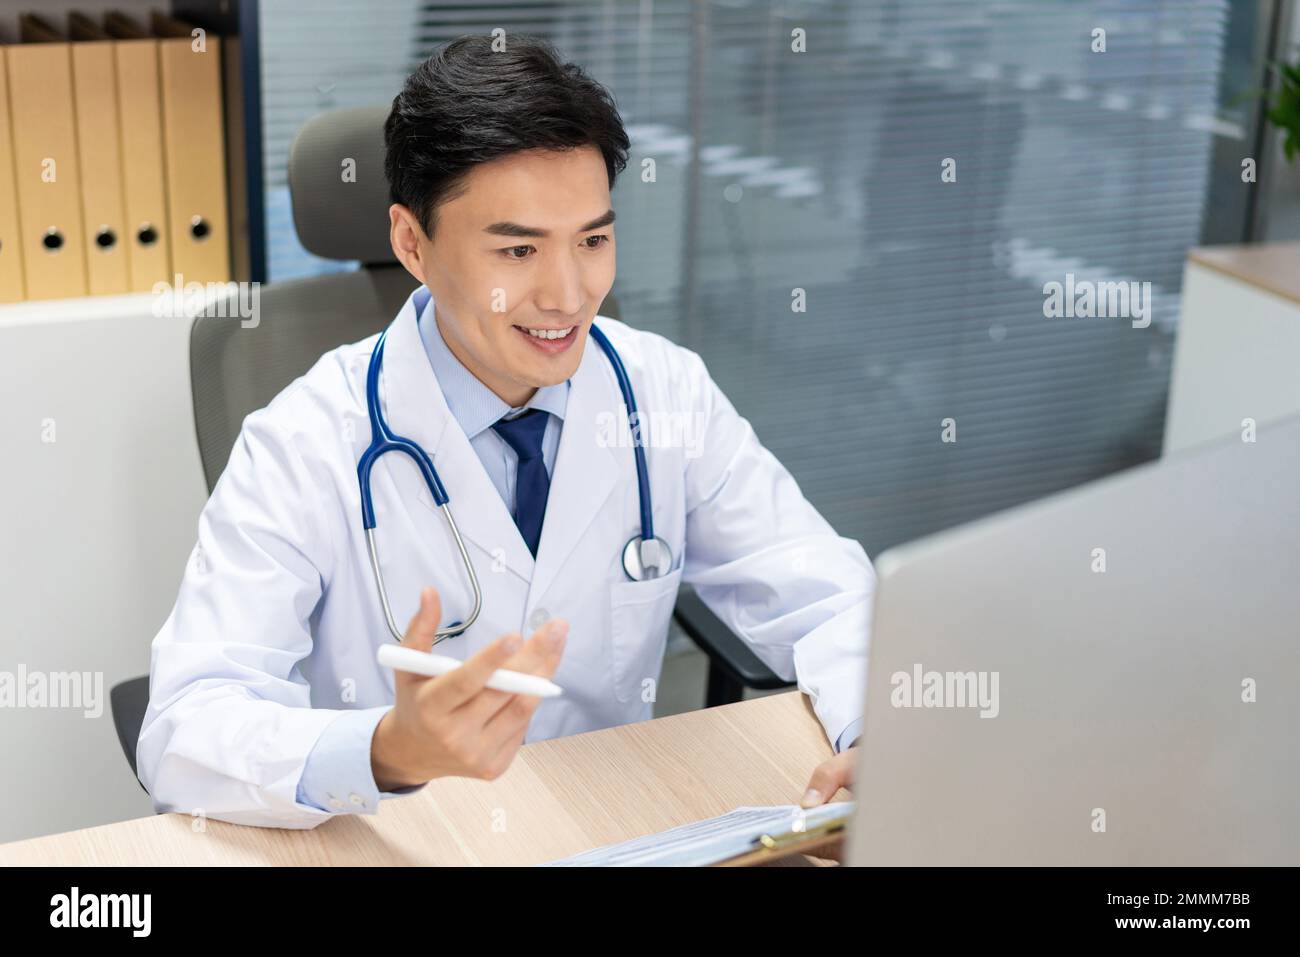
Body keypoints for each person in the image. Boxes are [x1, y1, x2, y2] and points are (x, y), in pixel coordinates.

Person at [137, 34, 873, 830]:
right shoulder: (303, 440)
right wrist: (385, 750)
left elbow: (831, 599)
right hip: (399, 838)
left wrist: (879, 732)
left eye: (593, 240)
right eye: (519, 249)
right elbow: (185, 729)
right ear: (411, 243)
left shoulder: (664, 392)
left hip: (614, 824)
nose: (568, 294)